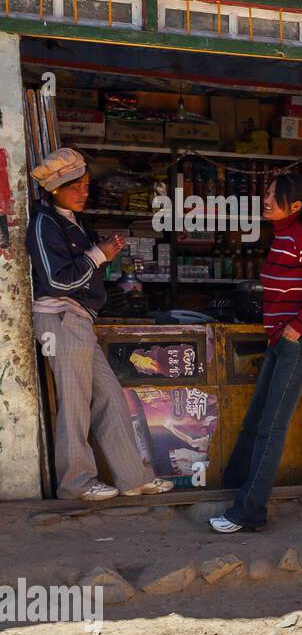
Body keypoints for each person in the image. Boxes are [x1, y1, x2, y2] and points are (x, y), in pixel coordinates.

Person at [27, 148, 174, 501]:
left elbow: (85, 271)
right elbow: (57, 280)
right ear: (55, 189)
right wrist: (98, 254)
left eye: (86, 183)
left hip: (79, 321)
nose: (83, 191)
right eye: (74, 185)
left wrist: (103, 254)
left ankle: (132, 477)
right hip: (60, 317)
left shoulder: (75, 220)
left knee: (110, 397)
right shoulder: (45, 223)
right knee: (75, 404)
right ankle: (75, 483)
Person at [209, 173, 302, 533]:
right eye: (266, 192)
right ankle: (234, 488)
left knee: (270, 428)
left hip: (297, 346)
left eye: (274, 196)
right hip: (282, 344)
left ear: (295, 206)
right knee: (255, 422)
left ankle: (248, 511)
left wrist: (297, 328)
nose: (266, 199)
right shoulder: (284, 236)